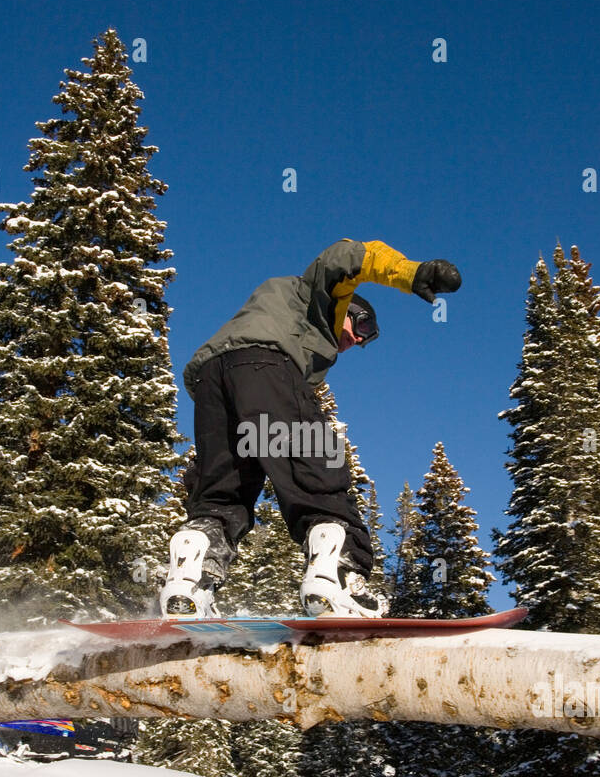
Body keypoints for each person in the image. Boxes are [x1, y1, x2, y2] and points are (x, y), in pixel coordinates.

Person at [160, 238, 461, 618]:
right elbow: (346, 256)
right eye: (363, 324)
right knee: (318, 473)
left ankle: (190, 582)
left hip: (210, 383)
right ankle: (338, 577)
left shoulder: (271, 319)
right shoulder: (314, 297)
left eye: (367, 339)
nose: (358, 339)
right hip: (266, 368)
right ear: (345, 305)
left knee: (222, 496)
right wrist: (411, 272)